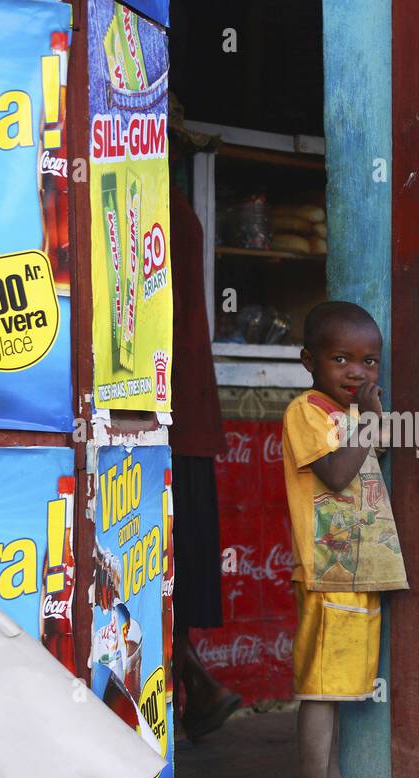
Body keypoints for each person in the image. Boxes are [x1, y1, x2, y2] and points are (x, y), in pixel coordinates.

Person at [281, 302, 407, 778]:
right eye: (341, 359)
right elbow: (334, 474)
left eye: (370, 362)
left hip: (357, 570)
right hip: (328, 569)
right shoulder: (306, 412)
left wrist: (371, 423)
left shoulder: (351, 416)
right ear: (310, 360)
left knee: (337, 686)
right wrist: (372, 421)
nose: (358, 372)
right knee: (321, 686)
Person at [168, 182, 242, 740]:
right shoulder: (181, 207)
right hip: (184, 410)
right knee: (177, 577)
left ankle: (194, 682)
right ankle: (196, 684)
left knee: (161, 578)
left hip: (164, 411)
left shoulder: (155, 197)